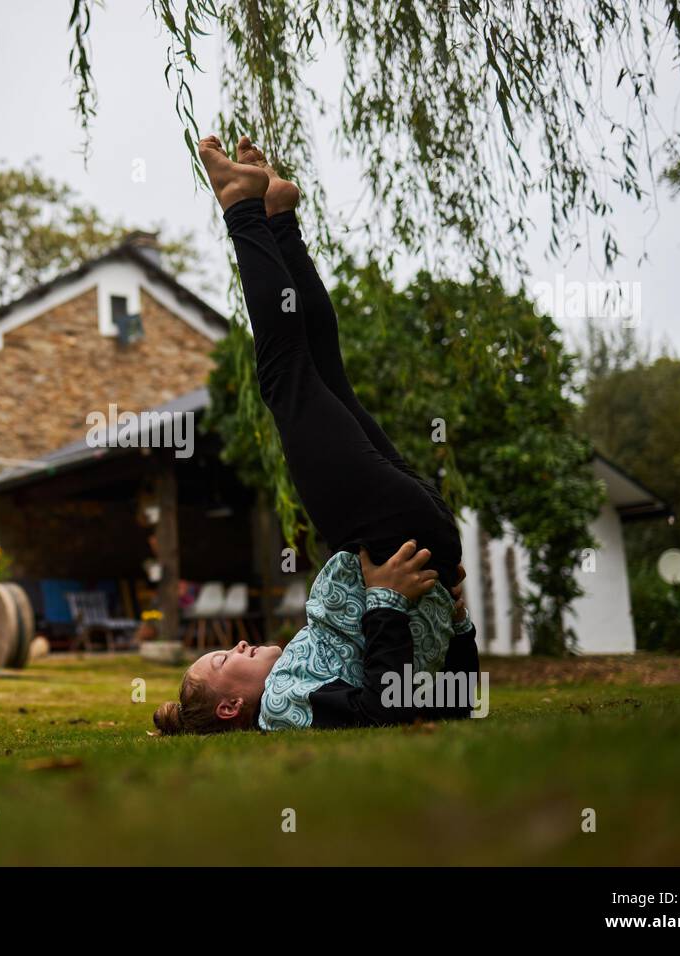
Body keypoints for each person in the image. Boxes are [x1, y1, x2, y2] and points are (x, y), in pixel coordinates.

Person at [153, 136, 479, 734]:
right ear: (230, 707)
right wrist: (389, 601)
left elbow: (458, 704)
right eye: (225, 660)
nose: (241, 644)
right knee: (286, 377)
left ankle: (277, 217)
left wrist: (453, 619)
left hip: (416, 542)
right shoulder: (281, 707)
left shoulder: (294, 683)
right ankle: (244, 208)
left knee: (323, 373)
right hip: (390, 543)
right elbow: (383, 713)